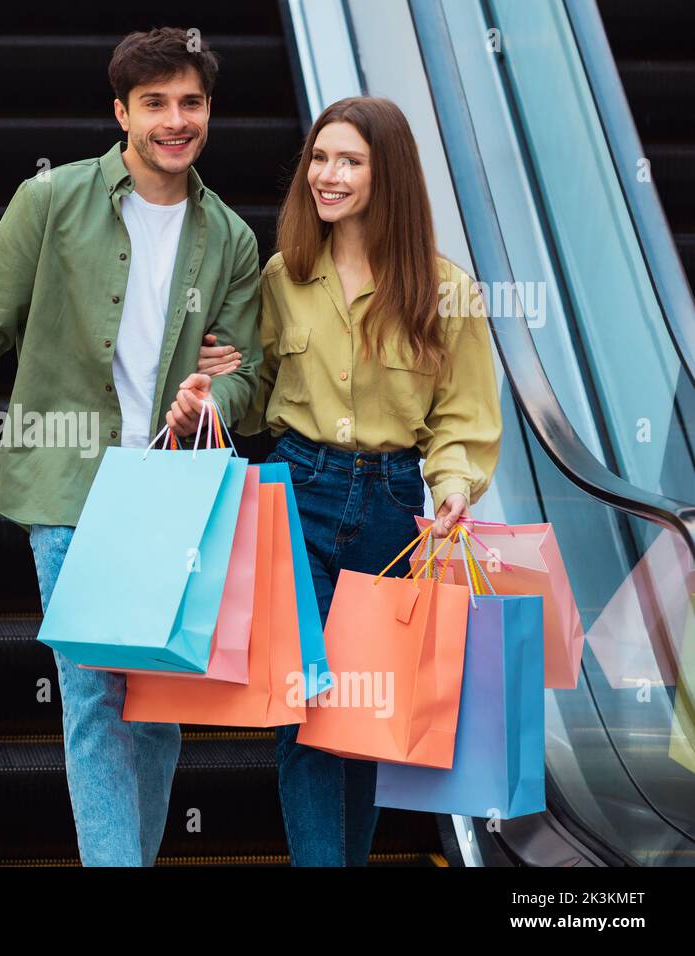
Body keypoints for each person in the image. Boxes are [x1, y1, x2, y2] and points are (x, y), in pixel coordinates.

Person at [0, 27, 262, 866]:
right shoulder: (50, 201)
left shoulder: (231, 237)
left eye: (191, 103)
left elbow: (250, 370)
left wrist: (212, 398)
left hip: (168, 494)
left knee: (157, 707)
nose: (176, 120)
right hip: (68, 488)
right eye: (156, 104)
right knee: (93, 698)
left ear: (209, 112)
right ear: (121, 111)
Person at [199, 95, 502, 866]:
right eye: (320, 159)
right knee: (300, 711)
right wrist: (217, 378)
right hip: (294, 491)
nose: (327, 176)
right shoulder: (282, 276)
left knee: (362, 717)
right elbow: (255, 387)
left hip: (395, 509)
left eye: (350, 161)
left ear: (387, 173)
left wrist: (455, 487)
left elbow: (463, 419)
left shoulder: (447, 289)